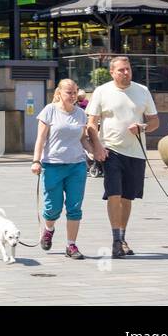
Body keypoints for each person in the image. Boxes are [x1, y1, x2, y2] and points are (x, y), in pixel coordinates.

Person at [86, 55, 159, 259]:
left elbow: (154, 121)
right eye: (121, 70)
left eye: (128, 69)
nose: (126, 73)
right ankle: (116, 239)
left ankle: (123, 236)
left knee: (128, 198)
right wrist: (97, 147)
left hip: (136, 152)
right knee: (114, 195)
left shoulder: (142, 91)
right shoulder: (102, 91)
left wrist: (143, 126)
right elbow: (91, 124)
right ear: (112, 72)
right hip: (111, 151)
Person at [32, 79, 101, 260]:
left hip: (76, 166)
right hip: (52, 165)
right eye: (68, 92)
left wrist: (93, 151)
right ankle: (49, 229)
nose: (72, 96)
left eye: (74, 92)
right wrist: (36, 161)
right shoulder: (50, 110)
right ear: (60, 93)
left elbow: (83, 139)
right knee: (52, 208)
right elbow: (40, 138)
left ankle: (71, 245)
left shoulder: (80, 114)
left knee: (74, 207)